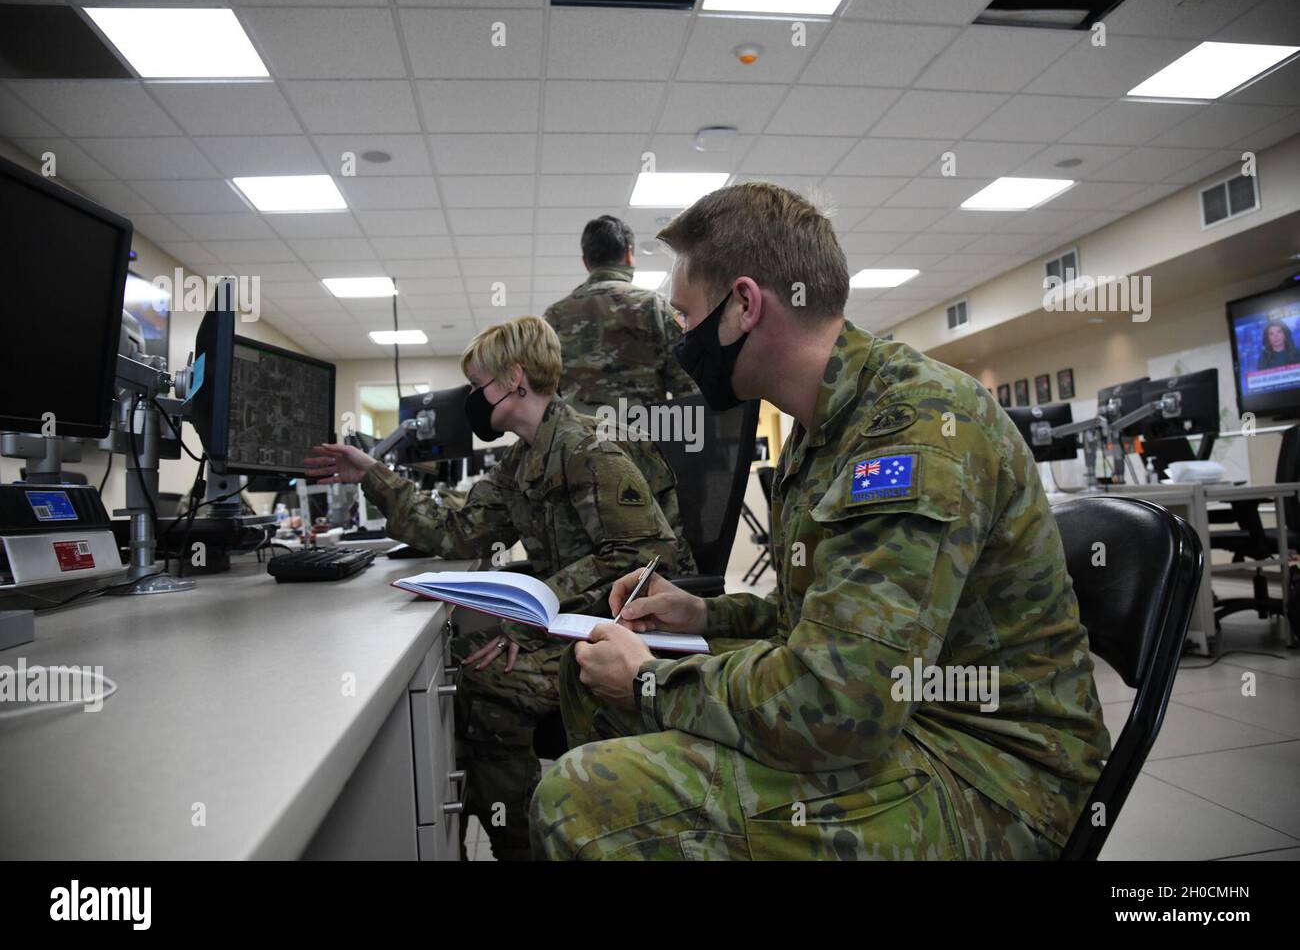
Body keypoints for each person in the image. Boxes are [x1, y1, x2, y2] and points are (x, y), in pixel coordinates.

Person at [531, 181, 1111, 861]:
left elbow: (838, 702)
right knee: (590, 680)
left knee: (583, 797)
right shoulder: (826, 427)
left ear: (744, 305)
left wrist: (651, 681)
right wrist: (700, 617)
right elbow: (812, 626)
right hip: (898, 720)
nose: (681, 339)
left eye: (686, 316)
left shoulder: (916, 427)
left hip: (992, 775)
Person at [306, 315, 695, 861]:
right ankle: (471, 834)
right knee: (462, 664)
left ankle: (527, 847)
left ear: (515, 379)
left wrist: (534, 616)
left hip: (628, 627)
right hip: (569, 621)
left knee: (489, 690)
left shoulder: (590, 450)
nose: (471, 397)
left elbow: (643, 557)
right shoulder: (522, 461)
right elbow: (457, 530)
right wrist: (372, 472)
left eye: (477, 384)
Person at [543, 214, 697, 413]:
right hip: (643, 437)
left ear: (586, 262)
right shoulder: (655, 306)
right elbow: (688, 388)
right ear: (629, 253)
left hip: (581, 441)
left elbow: (545, 393)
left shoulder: (555, 316)